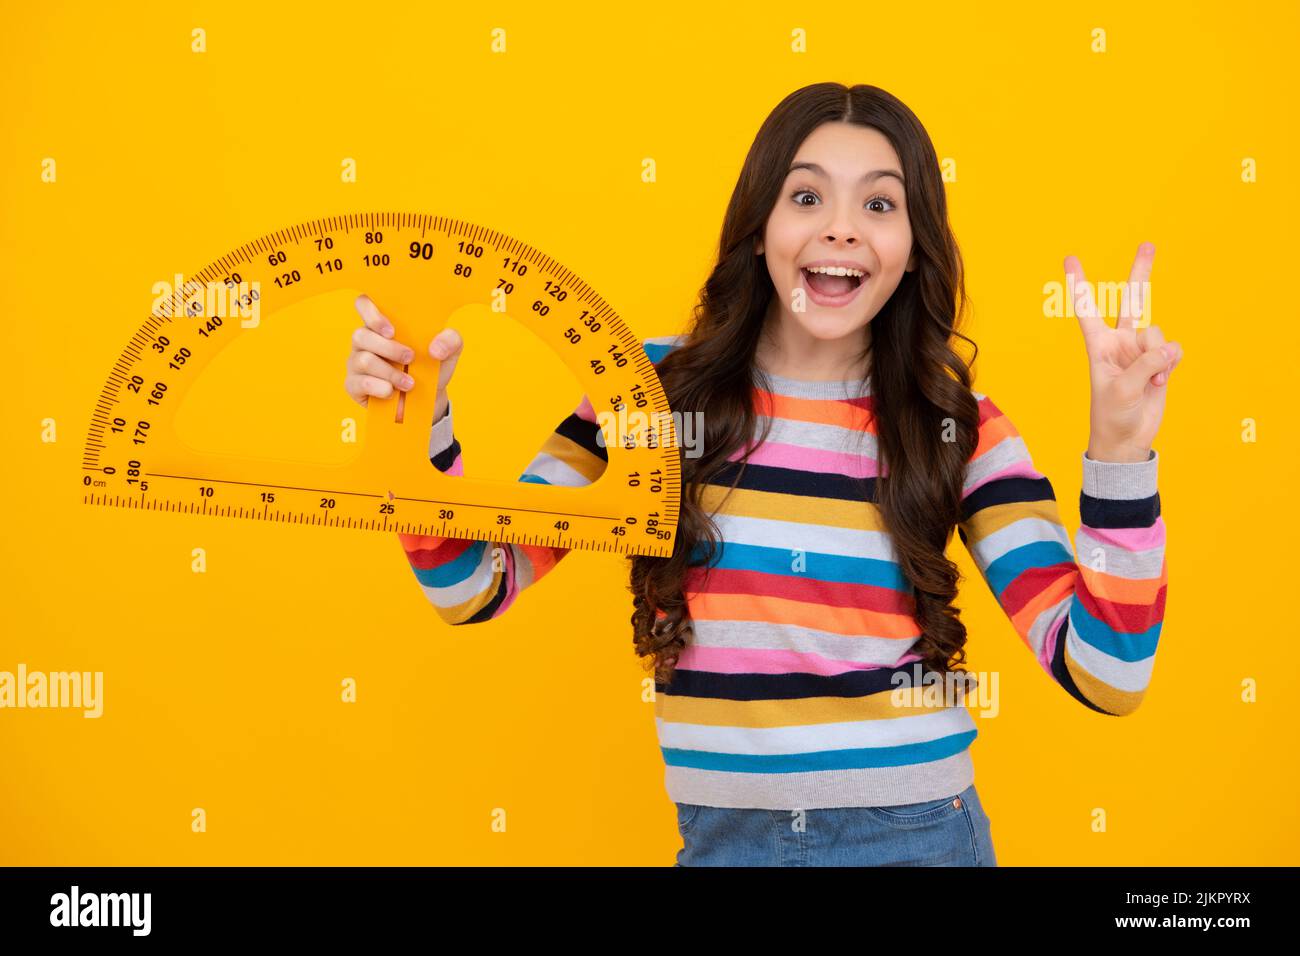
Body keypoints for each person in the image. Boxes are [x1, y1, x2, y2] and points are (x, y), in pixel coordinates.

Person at [343, 82, 1181, 867]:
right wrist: (421, 417)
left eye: (880, 204)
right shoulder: (649, 393)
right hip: (722, 840)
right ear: (757, 228)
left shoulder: (955, 420)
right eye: (807, 195)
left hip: (918, 837)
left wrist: (1118, 454)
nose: (842, 228)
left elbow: (1107, 673)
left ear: (915, 248)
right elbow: (473, 585)